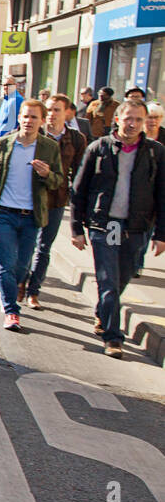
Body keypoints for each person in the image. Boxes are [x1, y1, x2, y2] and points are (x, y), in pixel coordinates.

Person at [70, 98, 165, 357]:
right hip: (106, 224)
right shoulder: (99, 148)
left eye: (138, 119)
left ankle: (103, 313)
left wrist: (161, 235)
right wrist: (76, 227)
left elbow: (162, 195)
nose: (133, 124)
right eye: (128, 119)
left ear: (144, 122)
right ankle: (113, 337)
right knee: (108, 281)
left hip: (137, 227)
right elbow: (79, 190)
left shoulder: (155, 152)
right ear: (118, 120)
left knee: (122, 278)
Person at [0, 98, 63, 332]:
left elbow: (59, 181)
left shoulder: (49, 148)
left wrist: (47, 174)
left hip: (31, 215)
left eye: (34, 117)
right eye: (25, 116)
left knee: (22, 266)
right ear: (19, 118)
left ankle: (7, 292)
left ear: (42, 120)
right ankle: (11, 310)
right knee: (6, 262)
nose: (28, 121)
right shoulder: (3, 144)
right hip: (4, 212)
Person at [21, 94, 87, 310]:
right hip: (31, 197)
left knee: (44, 247)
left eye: (57, 110)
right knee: (27, 245)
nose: (51, 115)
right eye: (48, 110)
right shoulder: (33, 134)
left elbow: (79, 174)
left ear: (67, 113)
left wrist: (79, 207)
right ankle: (21, 281)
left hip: (57, 200)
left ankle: (34, 290)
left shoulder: (76, 139)